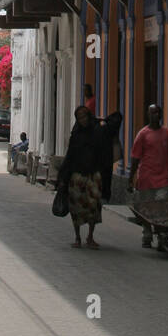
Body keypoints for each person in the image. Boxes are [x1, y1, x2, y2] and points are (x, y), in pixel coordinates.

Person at [57, 106, 108, 250]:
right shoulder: (76, 134)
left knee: (93, 206)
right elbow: (70, 156)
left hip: (93, 174)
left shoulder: (97, 132)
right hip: (77, 175)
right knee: (76, 207)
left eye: (85, 116)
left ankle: (90, 236)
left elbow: (103, 152)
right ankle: (77, 237)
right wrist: (63, 177)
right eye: (79, 117)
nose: (83, 120)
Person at [128, 104, 168, 249]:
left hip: (162, 178)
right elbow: (135, 158)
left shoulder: (167, 133)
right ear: (147, 115)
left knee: (161, 207)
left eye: (157, 112)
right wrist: (131, 178)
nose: (155, 115)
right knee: (146, 208)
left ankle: (162, 236)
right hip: (145, 178)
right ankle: (147, 233)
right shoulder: (142, 134)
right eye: (152, 113)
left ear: (161, 114)